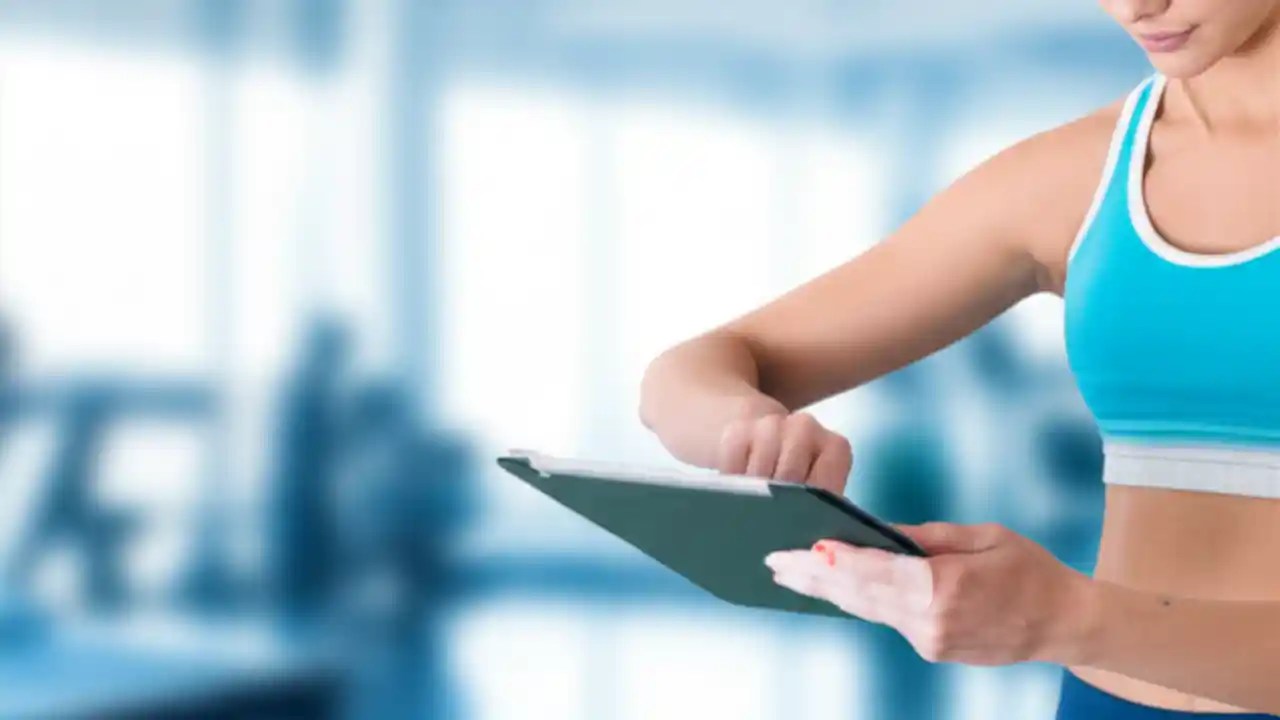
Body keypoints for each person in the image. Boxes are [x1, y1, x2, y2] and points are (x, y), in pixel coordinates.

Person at [638, 1, 1280, 717]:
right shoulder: (1082, 174)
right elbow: (692, 371)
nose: (1136, 5)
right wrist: (742, 425)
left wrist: (1069, 620)